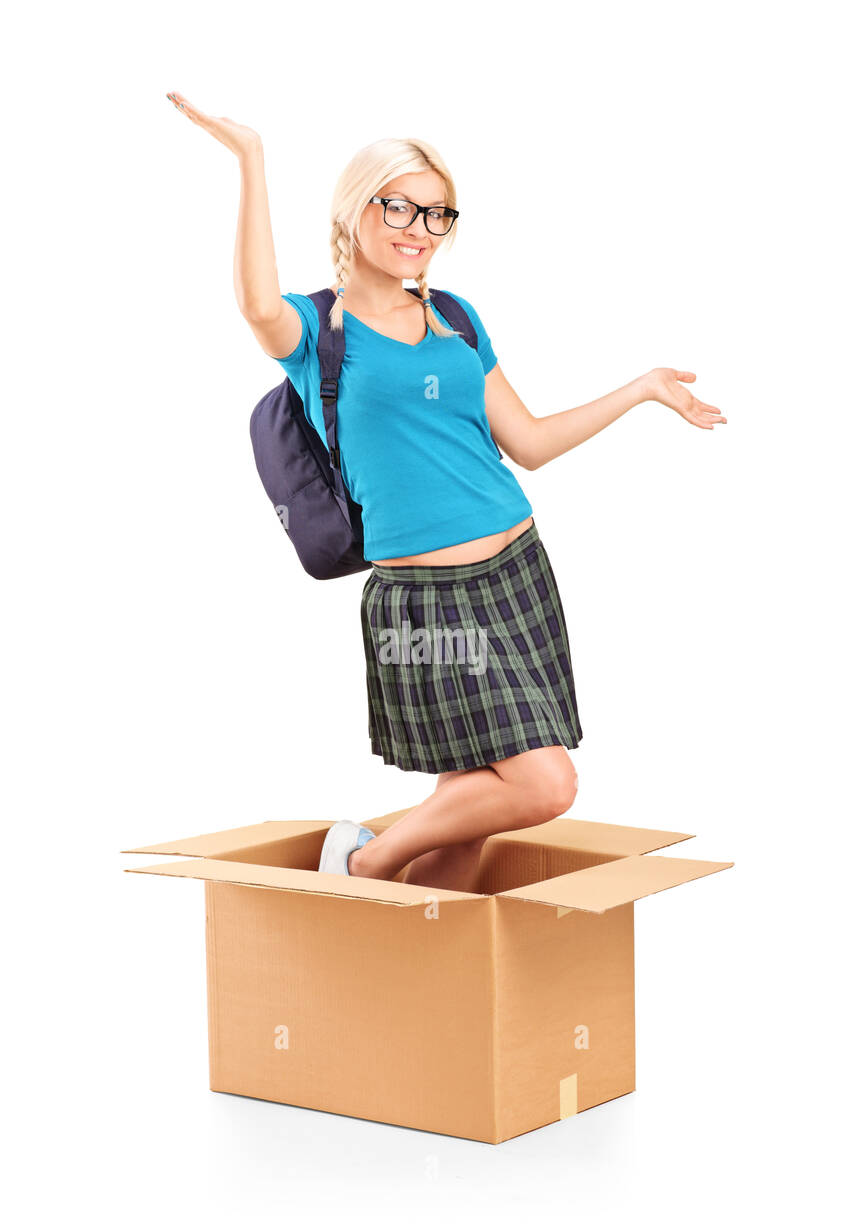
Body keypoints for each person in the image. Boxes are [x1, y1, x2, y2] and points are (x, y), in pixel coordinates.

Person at [166, 93, 726, 892]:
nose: (417, 230)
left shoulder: (458, 319)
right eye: (399, 206)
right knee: (544, 785)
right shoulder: (316, 332)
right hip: (427, 599)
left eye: (436, 215)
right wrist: (251, 157)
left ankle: (410, 970)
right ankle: (362, 862)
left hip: (519, 573)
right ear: (357, 208)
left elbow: (527, 442)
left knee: (466, 825)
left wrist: (638, 390)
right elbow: (256, 302)